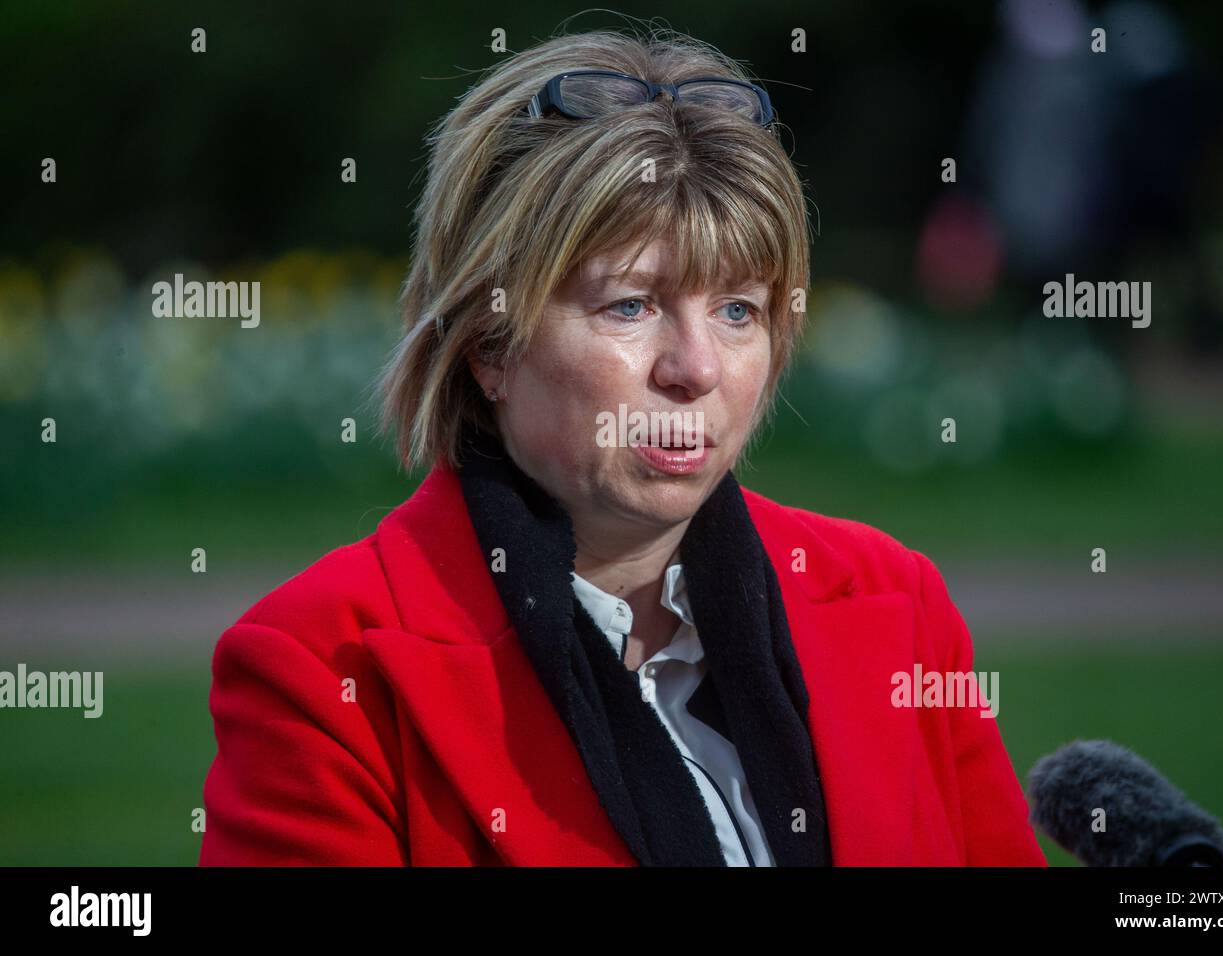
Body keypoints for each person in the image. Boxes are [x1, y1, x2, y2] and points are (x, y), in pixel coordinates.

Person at [198, 26, 1047, 867]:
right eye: (630, 306)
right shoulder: (320, 669)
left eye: (738, 310)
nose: (697, 367)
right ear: (489, 345)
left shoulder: (897, 603)